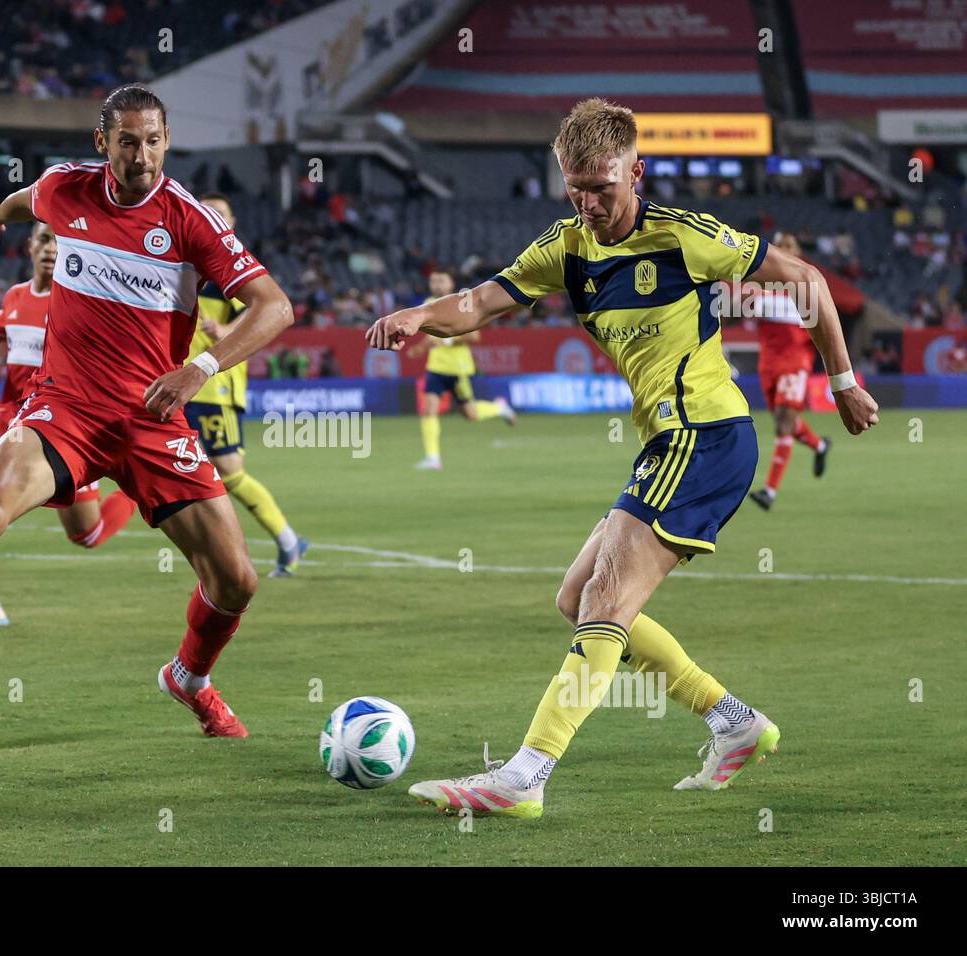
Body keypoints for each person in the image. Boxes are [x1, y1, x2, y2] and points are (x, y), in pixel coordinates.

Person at [366, 98, 879, 819]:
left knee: (604, 604)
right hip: (669, 442)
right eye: (575, 187)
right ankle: (730, 720)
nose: (589, 202)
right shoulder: (568, 246)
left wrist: (844, 382)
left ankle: (523, 777)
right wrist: (423, 315)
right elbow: (482, 303)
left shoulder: (682, 237)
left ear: (636, 172)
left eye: (602, 187)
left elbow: (808, 283)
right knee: (577, 599)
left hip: (707, 436)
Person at [0, 85, 295, 740]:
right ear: (103, 144)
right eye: (128, 141)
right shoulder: (64, 189)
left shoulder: (190, 220)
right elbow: (27, 201)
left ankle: (188, 677)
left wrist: (201, 368)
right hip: (66, 406)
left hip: (153, 417)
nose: (143, 156)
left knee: (236, 581)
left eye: (154, 140)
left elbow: (275, 308)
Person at [0, 221, 138, 630]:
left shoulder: (81, 300)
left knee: (86, 535)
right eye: (45, 240)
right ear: (30, 245)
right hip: (11, 414)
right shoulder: (15, 297)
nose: (51, 249)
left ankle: (134, 493)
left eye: (60, 242)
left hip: (64, 418)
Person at [182, 192, 308, 577]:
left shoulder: (228, 266)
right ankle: (214, 557)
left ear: (233, 222)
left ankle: (288, 540)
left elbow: (263, 310)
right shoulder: (185, 263)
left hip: (215, 386)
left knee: (229, 472)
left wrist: (225, 329)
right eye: (205, 212)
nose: (213, 218)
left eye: (220, 213)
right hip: (179, 383)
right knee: (173, 469)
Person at [746, 232, 830, 510]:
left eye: (789, 246)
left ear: (797, 253)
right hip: (768, 365)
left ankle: (769, 492)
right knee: (786, 423)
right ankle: (819, 446)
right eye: (779, 245)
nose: (784, 250)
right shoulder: (758, 284)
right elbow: (740, 306)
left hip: (796, 363)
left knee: (783, 422)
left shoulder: (807, 286)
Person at [408, 270, 515, 470]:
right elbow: (432, 336)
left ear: (451, 283)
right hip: (435, 367)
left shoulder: (463, 303)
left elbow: (475, 337)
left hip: (458, 369)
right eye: (433, 280)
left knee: (470, 414)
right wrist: (421, 348)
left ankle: (499, 408)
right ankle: (433, 458)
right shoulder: (428, 303)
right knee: (428, 409)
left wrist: (451, 338)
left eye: (441, 280)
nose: (436, 284)